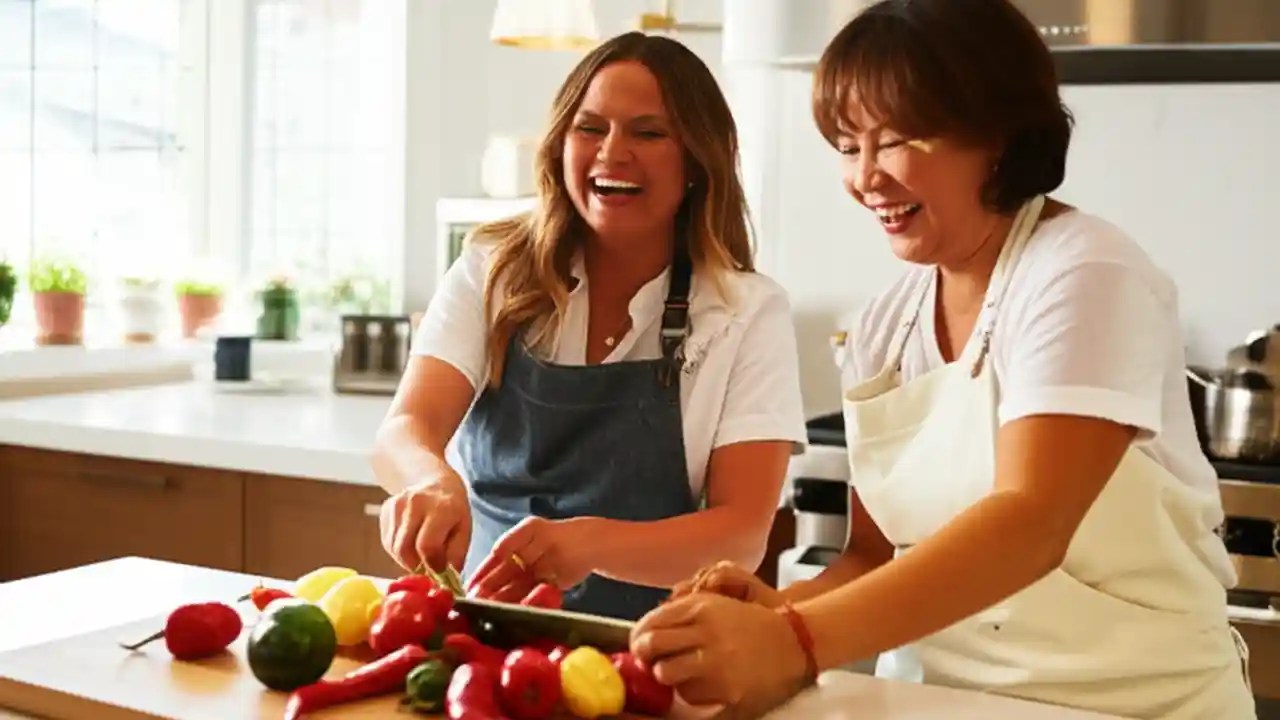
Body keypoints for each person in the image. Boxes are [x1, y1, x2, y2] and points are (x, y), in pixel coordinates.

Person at [628, 1, 1257, 718]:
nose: (866, 177)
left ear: (995, 133)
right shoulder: (884, 326)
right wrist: (772, 615)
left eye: (896, 140)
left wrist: (794, 639)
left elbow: (1029, 522)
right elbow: (870, 557)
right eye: (846, 144)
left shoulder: (1086, 273)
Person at [371, 31, 808, 622]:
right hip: (482, 638)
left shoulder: (747, 311)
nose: (612, 152)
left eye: (648, 133)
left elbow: (741, 535)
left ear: (699, 161)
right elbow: (406, 427)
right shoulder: (492, 268)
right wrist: (430, 480)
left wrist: (590, 545)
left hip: (651, 651)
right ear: (560, 145)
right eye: (590, 127)